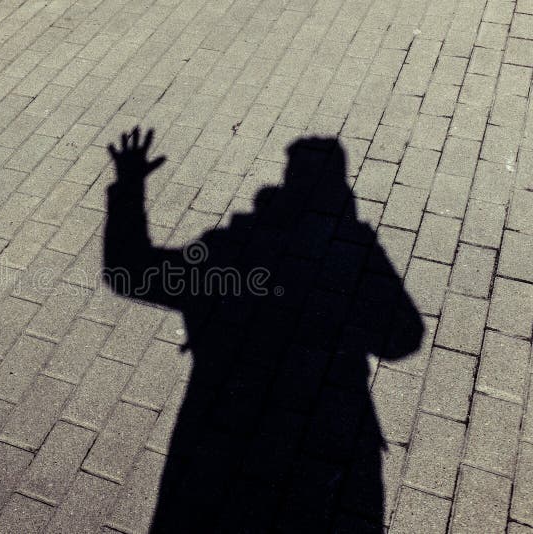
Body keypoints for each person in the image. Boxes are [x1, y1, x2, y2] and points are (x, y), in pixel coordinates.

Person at [104, 128, 424, 532]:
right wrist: (364, 252)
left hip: (218, 443)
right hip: (326, 446)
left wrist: (129, 185)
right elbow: (402, 338)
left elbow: (131, 273)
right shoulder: (342, 250)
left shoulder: (224, 257)